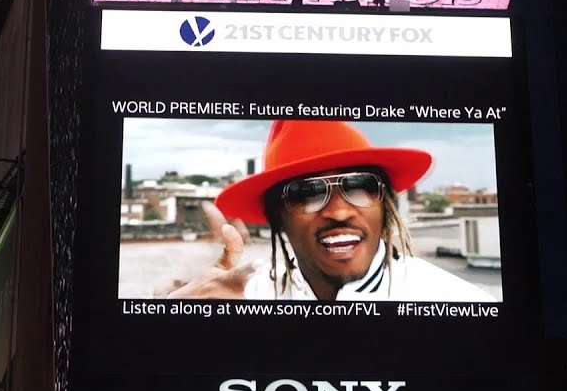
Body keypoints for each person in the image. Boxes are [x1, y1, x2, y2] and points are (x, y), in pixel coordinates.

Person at [165, 120, 497, 301]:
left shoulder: (455, 302)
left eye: (359, 186)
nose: (339, 213)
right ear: (276, 217)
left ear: (385, 204)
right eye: (306, 193)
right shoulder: (241, 297)